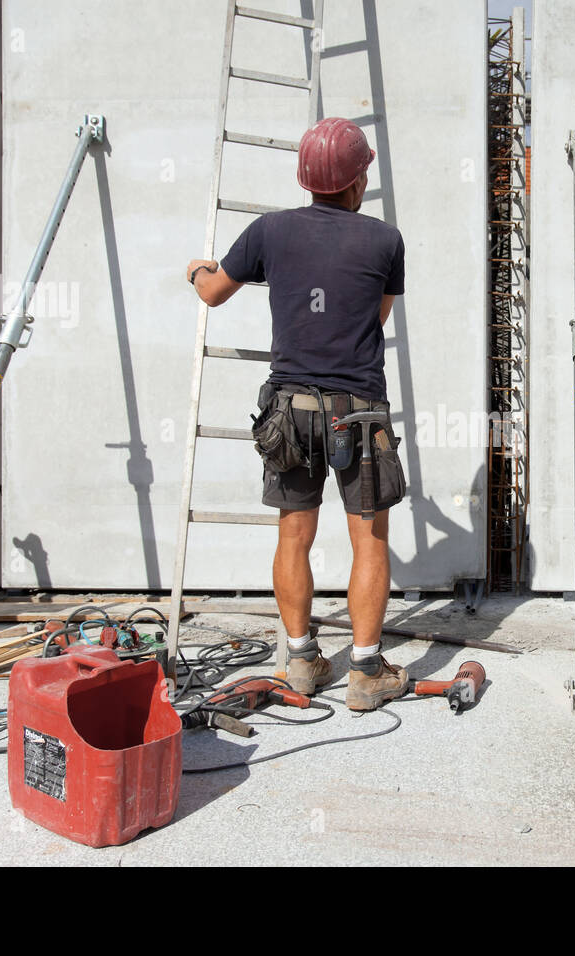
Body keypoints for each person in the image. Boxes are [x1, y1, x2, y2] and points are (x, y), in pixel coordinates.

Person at [185, 116, 409, 710]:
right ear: (359, 179)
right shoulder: (385, 240)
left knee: (294, 535)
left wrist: (195, 269)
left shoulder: (269, 231)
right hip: (360, 411)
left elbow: (212, 292)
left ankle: (302, 660)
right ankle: (364, 672)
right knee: (371, 543)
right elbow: (375, 319)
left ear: (306, 178)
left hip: (292, 411)